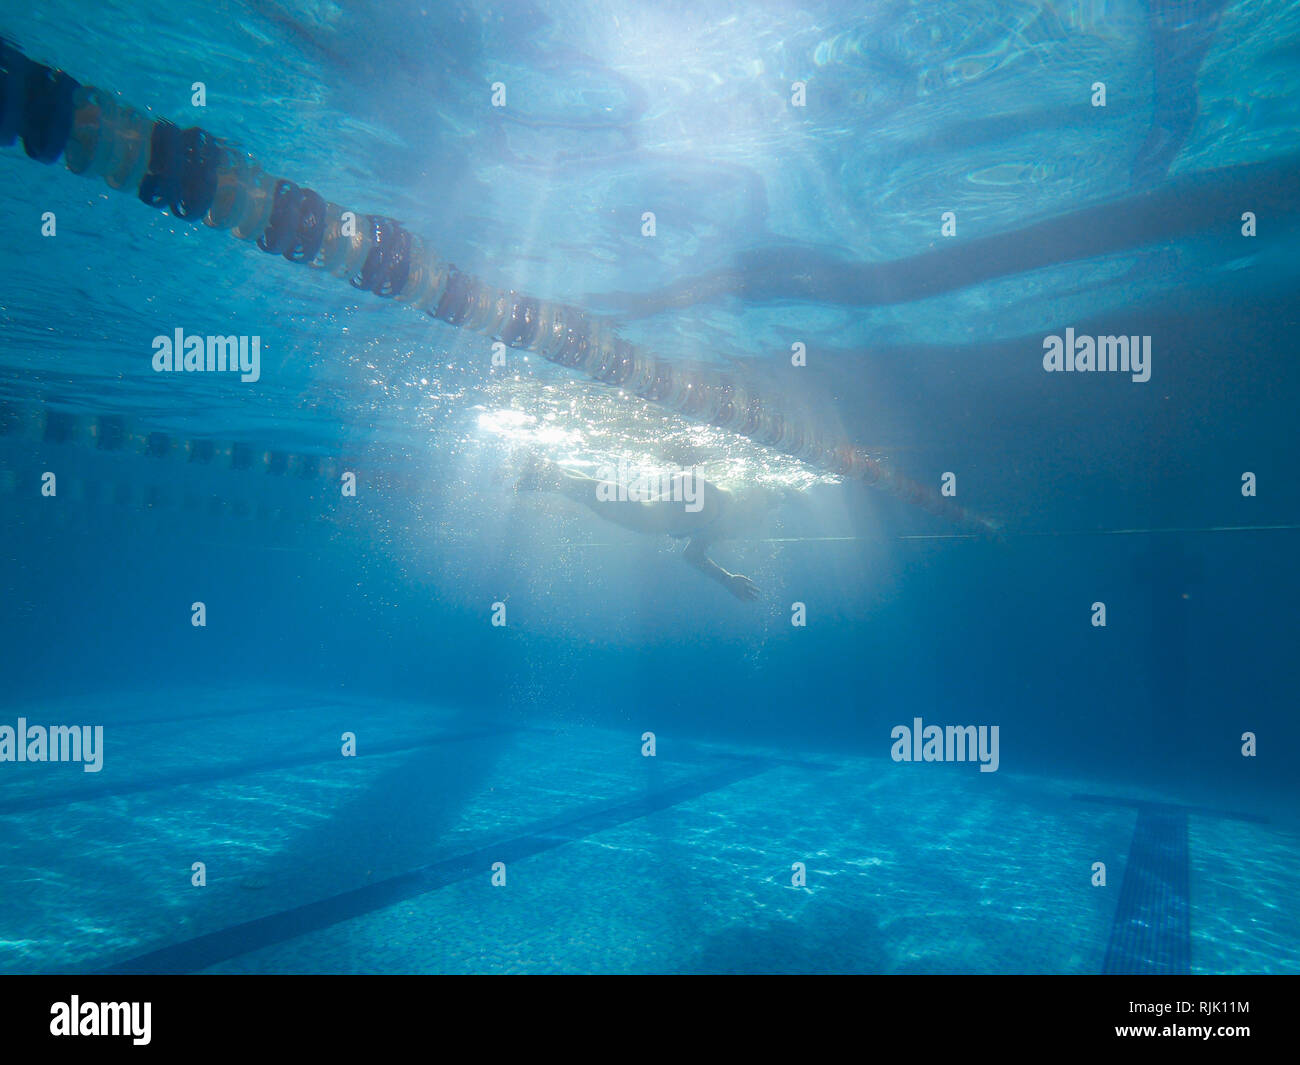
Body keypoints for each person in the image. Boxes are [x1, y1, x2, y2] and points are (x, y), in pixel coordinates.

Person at [515, 454, 781, 602]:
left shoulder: (728, 518)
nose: (757, 526)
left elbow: (692, 555)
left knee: (636, 506)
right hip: (705, 500)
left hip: (701, 496)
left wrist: (726, 579)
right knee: (641, 513)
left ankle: (557, 473)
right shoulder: (732, 513)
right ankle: (554, 478)